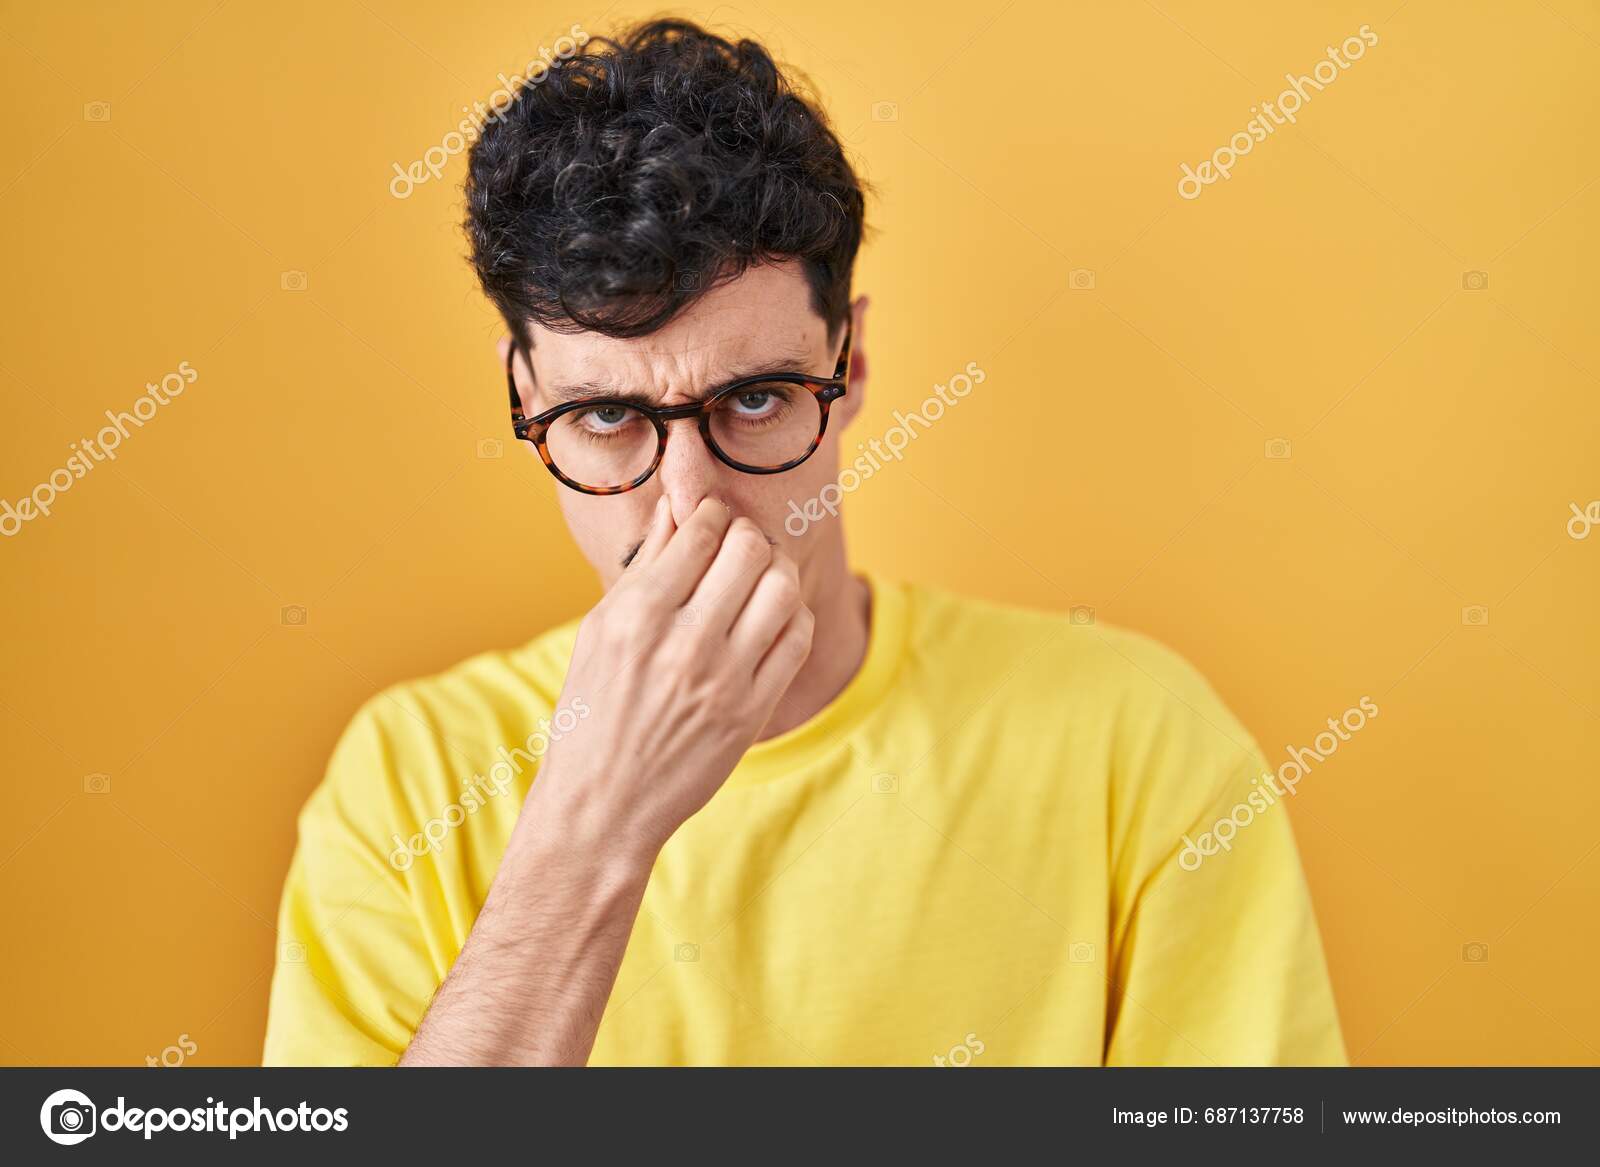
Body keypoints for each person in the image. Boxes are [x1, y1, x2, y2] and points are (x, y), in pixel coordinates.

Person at [262, 18, 1344, 1066]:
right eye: (605, 418)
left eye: (758, 400)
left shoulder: (1135, 743)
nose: (691, 507)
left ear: (852, 363)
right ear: (522, 393)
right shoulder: (407, 781)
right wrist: (592, 837)